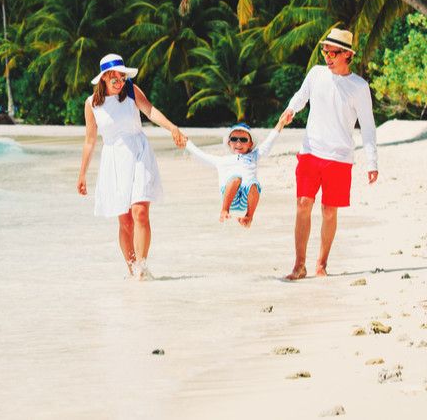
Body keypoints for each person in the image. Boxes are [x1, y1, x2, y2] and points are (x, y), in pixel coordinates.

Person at [279, 28, 379, 280]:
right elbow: (301, 97)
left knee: (329, 211)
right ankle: (299, 265)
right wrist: (291, 109)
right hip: (311, 151)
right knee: (303, 204)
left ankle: (321, 264)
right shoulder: (316, 74)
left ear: (347, 54)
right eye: (325, 50)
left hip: (340, 157)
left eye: (332, 52)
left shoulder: (359, 86)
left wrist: (372, 161)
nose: (327, 56)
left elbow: (367, 126)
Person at [78, 53, 187, 280]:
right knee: (124, 220)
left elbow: (150, 111)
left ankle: (141, 268)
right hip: (114, 160)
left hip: (138, 153)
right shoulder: (92, 104)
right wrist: (82, 175)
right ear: (104, 79)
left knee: (140, 211)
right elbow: (90, 140)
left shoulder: (131, 91)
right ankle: (132, 268)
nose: (120, 82)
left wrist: (172, 127)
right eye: (115, 78)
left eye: (122, 76)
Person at [184, 118, 287, 227]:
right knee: (236, 178)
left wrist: (281, 123)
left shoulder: (254, 156)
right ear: (229, 142)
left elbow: (269, 141)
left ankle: (249, 217)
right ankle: (224, 210)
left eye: (243, 140)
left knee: (253, 184)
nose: (238, 143)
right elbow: (200, 154)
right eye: (234, 139)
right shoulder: (222, 160)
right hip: (229, 198)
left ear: (250, 144)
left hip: (247, 199)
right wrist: (185, 142)